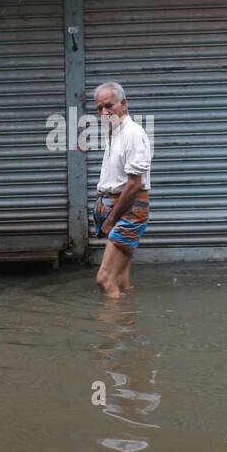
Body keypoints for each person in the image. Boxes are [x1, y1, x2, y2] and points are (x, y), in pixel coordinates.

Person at [92, 81, 152, 299]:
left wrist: (111, 219)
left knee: (104, 279)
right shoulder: (114, 131)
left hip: (128, 212)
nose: (104, 112)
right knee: (121, 281)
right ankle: (127, 325)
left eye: (108, 105)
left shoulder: (132, 133)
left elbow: (134, 185)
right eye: (99, 108)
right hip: (120, 211)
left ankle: (112, 331)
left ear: (123, 104)